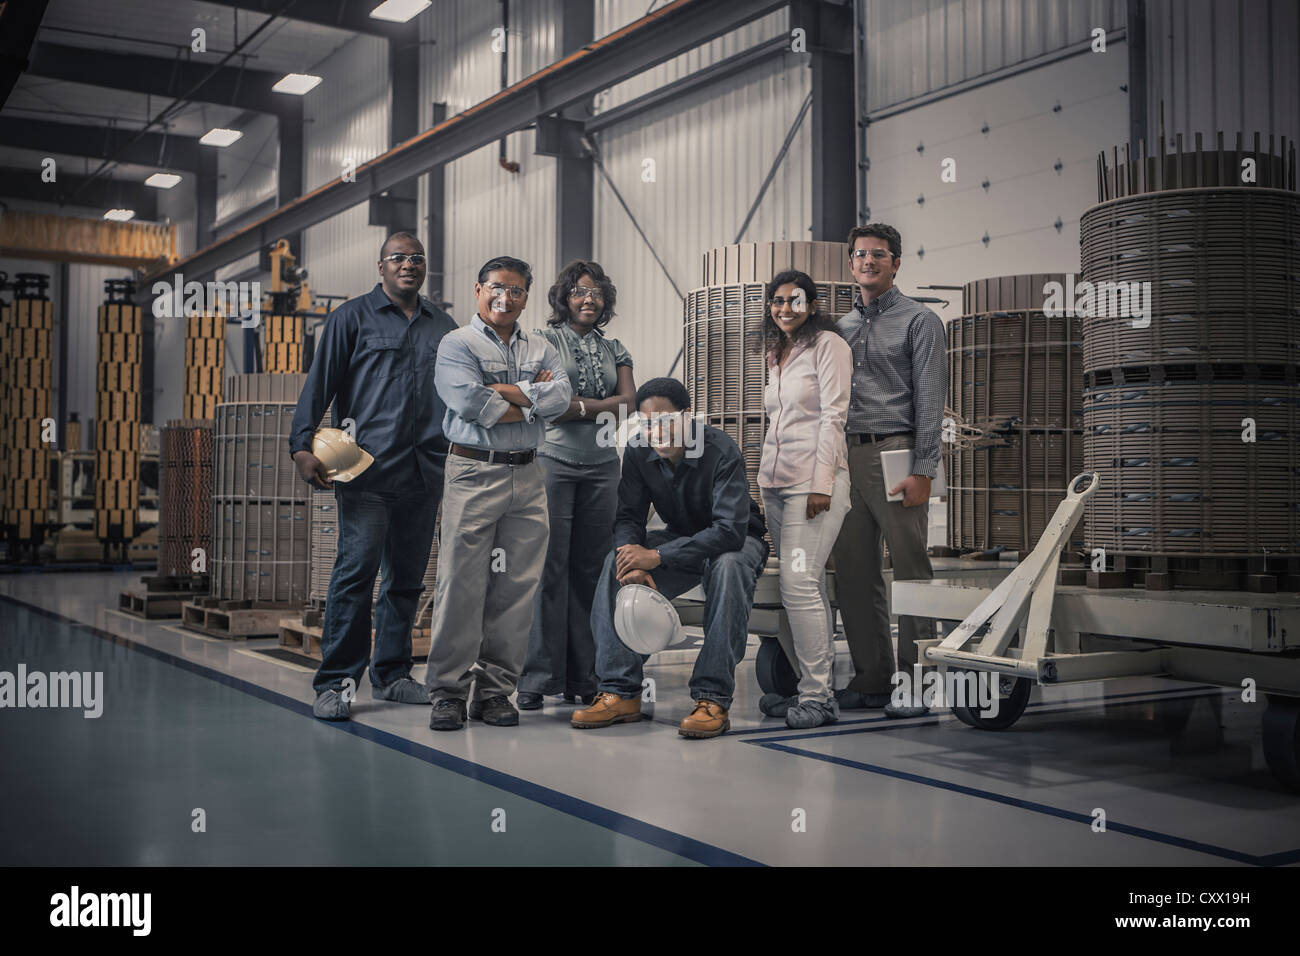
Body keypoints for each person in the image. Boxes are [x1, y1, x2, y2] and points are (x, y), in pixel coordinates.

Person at [289, 232, 457, 722]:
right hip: (365, 470)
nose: (408, 264)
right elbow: (320, 382)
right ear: (380, 266)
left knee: (406, 580)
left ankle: (392, 675)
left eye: (417, 258)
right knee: (355, 575)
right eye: (398, 257)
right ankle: (337, 683)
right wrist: (301, 445)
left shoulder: (443, 327)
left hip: (424, 470)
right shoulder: (351, 318)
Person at [572, 377, 768, 739]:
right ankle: (620, 691)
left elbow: (729, 531)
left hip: (736, 541)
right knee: (614, 563)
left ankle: (712, 699)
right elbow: (628, 517)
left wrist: (658, 556)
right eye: (647, 423)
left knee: (728, 567)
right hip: (682, 538)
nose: (657, 432)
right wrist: (632, 557)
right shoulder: (637, 451)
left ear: (688, 416)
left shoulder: (720, 450)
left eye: (666, 421)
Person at [426, 255, 572, 731]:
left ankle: (494, 692)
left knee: (516, 588)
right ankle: (448, 692)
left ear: (526, 297)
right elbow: (470, 402)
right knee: (461, 585)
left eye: (515, 290)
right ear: (478, 290)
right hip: (473, 471)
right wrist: (530, 398)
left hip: (528, 476)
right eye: (496, 287)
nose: (504, 298)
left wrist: (501, 390)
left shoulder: (542, 346)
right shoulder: (457, 343)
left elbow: (561, 399)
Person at [830, 223, 947, 718]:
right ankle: (872, 677)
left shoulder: (920, 321)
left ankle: (919, 683)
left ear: (896, 263)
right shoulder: (839, 328)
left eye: (879, 254)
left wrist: (924, 468)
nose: (868, 261)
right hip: (846, 456)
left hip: (897, 450)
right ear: (851, 264)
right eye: (860, 255)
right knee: (854, 572)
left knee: (910, 568)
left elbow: (930, 399)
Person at [517, 261, 636, 711]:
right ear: (564, 298)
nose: (589, 299)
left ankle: (585, 676)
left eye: (597, 292)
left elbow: (628, 405)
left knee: (592, 572)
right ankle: (538, 676)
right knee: (548, 569)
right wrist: (598, 405)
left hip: (604, 467)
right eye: (580, 291)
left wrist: (578, 406)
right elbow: (543, 402)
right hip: (553, 464)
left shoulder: (616, 348)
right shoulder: (542, 342)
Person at [755, 270, 852, 728]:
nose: (785, 308)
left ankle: (818, 698)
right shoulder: (776, 353)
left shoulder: (829, 345)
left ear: (811, 306)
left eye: (795, 300)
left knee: (799, 583)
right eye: (777, 301)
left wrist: (821, 483)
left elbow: (833, 415)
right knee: (800, 588)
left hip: (813, 484)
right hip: (775, 484)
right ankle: (807, 690)